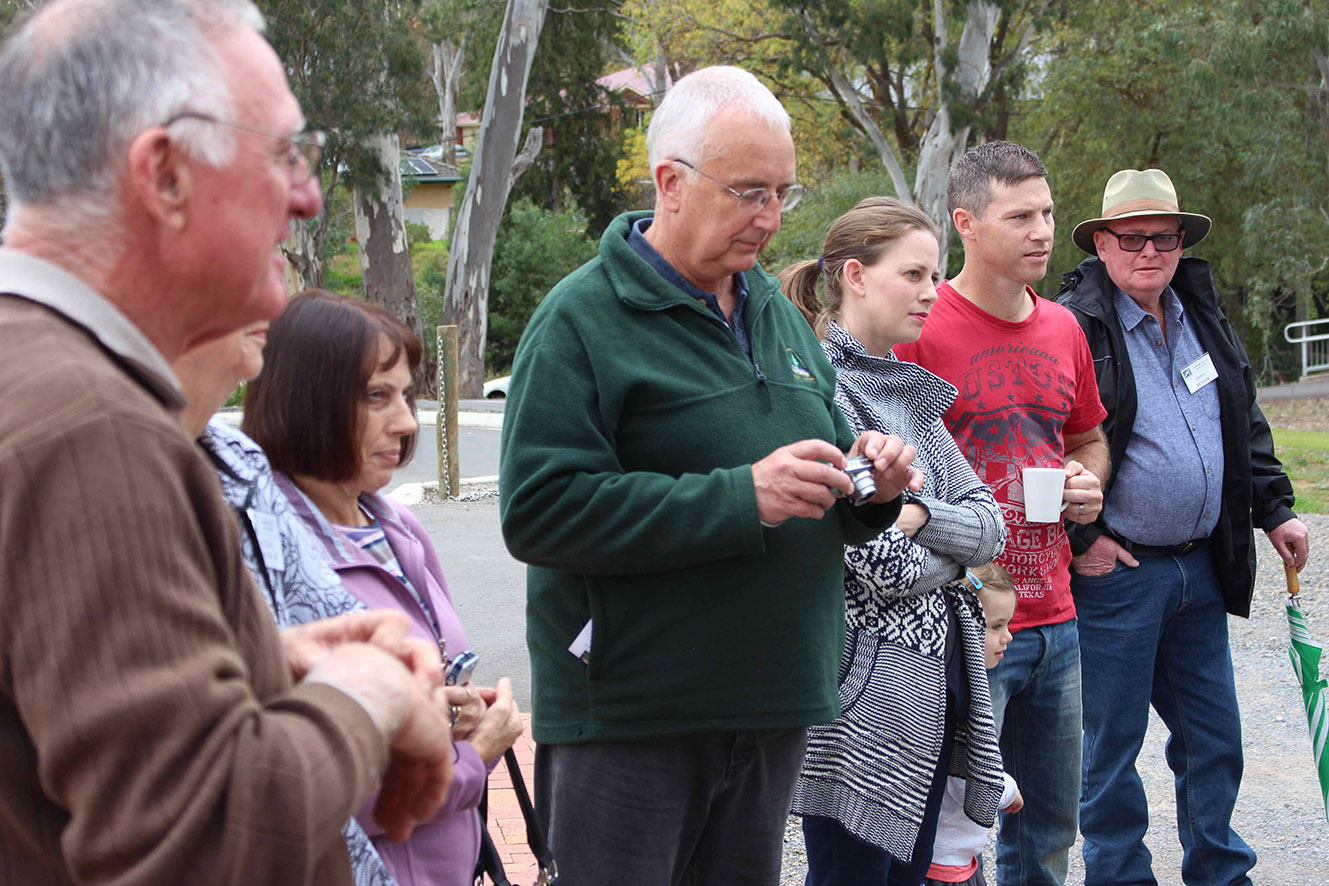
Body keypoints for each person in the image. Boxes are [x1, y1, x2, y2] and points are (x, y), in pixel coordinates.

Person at [0, 2, 456, 882]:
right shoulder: (92, 427)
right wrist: (370, 692)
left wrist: (252, 666)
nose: (308, 193)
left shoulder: (35, 376)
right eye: (283, 153)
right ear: (165, 174)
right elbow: (209, 840)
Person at [498, 65, 921, 886]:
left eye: (783, 195)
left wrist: (872, 486)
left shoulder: (770, 309)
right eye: (749, 192)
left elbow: (825, 473)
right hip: (633, 721)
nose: (769, 218)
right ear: (671, 184)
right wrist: (739, 497)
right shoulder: (579, 321)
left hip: (769, 708)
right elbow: (540, 512)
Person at [1055, 168, 1310, 886]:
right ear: (1101, 243)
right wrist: (1082, 539)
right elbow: (1043, 442)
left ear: (1179, 242)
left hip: (1199, 567)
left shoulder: (1197, 309)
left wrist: (1275, 509)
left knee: (1213, 739)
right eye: (1131, 238)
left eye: (1162, 237)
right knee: (1109, 750)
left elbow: (1241, 420)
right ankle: (1118, 877)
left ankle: (1219, 873)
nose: (1148, 251)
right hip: (1117, 575)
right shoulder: (1071, 323)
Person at [242, 291, 525, 886]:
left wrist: (451, 711)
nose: (405, 421)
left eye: (406, 394)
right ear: (304, 398)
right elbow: (300, 783)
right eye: (376, 396)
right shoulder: (266, 552)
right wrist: (472, 761)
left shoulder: (395, 527)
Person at [893, 140, 1109, 886]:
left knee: (1049, 833)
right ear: (967, 224)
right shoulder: (918, 331)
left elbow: (1086, 435)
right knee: (954, 837)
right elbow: (895, 491)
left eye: (1047, 212)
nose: (1043, 230)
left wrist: (1088, 482)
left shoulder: (1065, 328)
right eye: (1020, 215)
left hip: (1056, 618)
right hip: (963, 626)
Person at [780, 197, 1007, 884]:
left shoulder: (909, 393)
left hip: (932, 696)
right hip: (859, 705)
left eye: (933, 275)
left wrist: (913, 513)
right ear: (855, 275)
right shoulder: (820, 391)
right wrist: (928, 533)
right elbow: (875, 561)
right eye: (913, 274)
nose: (931, 293)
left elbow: (990, 526)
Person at [174, 321, 398, 886]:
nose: (407, 420)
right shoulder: (100, 454)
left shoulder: (236, 460)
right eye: (377, 395)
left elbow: (343, 635)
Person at [926, 562, 1024, 886]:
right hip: (943, 865)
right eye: (995, 626)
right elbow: (967, 779)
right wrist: (1008, 791)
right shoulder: (960, 703)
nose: (1007, 636)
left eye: (1007, 625)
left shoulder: (965, 687)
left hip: (957, 860)